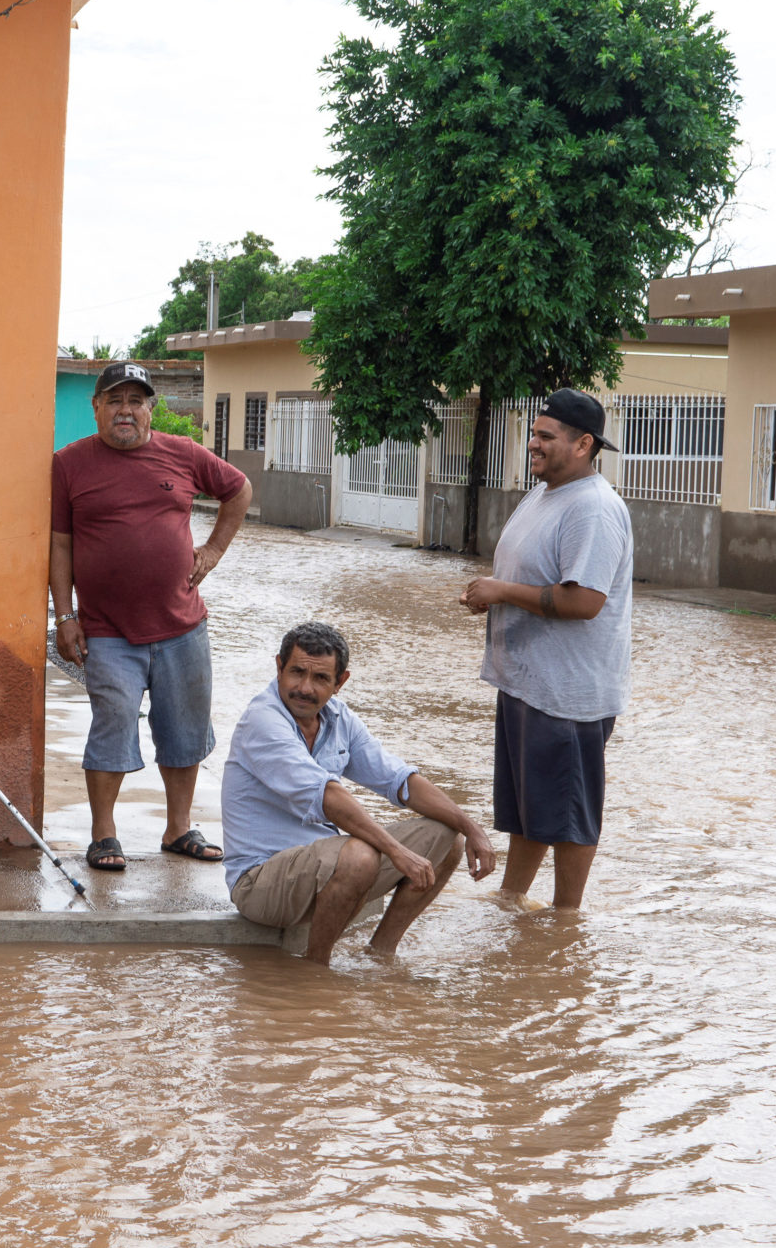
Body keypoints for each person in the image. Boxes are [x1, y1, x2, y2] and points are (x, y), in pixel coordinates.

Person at [50, 360, 252, 872]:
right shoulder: (68, 464)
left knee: (184, 730)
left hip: (183, 625)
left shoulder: (182, 453)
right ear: (96, 408)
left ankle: (178, 828)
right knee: (111, 723)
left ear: (150, 410)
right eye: (115, 400)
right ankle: (103, 835)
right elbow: (60, 543)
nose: (125, 410)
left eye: (136, 401)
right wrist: (65, 615)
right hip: (106, 629)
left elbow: (238, 490)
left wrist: (211, 551)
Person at [221, 622, 497, 964]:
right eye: (296, 673)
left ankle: (381, 954)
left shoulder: (338, 719)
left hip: (320, 869)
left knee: (445, 836)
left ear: (341, 682)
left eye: (320, 678)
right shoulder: (263, 720)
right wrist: (396, 851)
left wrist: (471, 827)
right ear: (279, 667)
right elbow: (328, 796)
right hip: (260, 883)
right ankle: (316, 968)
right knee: (359, 856)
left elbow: (399, 780)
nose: (304, 688)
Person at [460, 387, 633, 911]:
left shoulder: (593, 510)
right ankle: (511, 898)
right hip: (527, 682)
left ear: (583, 444)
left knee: (571, 814)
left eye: (544, 436)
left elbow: (585, 601)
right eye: (533, 434)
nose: (532, 444)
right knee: (529, 806)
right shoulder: (545, 494)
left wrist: (502, 591)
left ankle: (565, 920)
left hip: (567, 693)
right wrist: (494, 592)